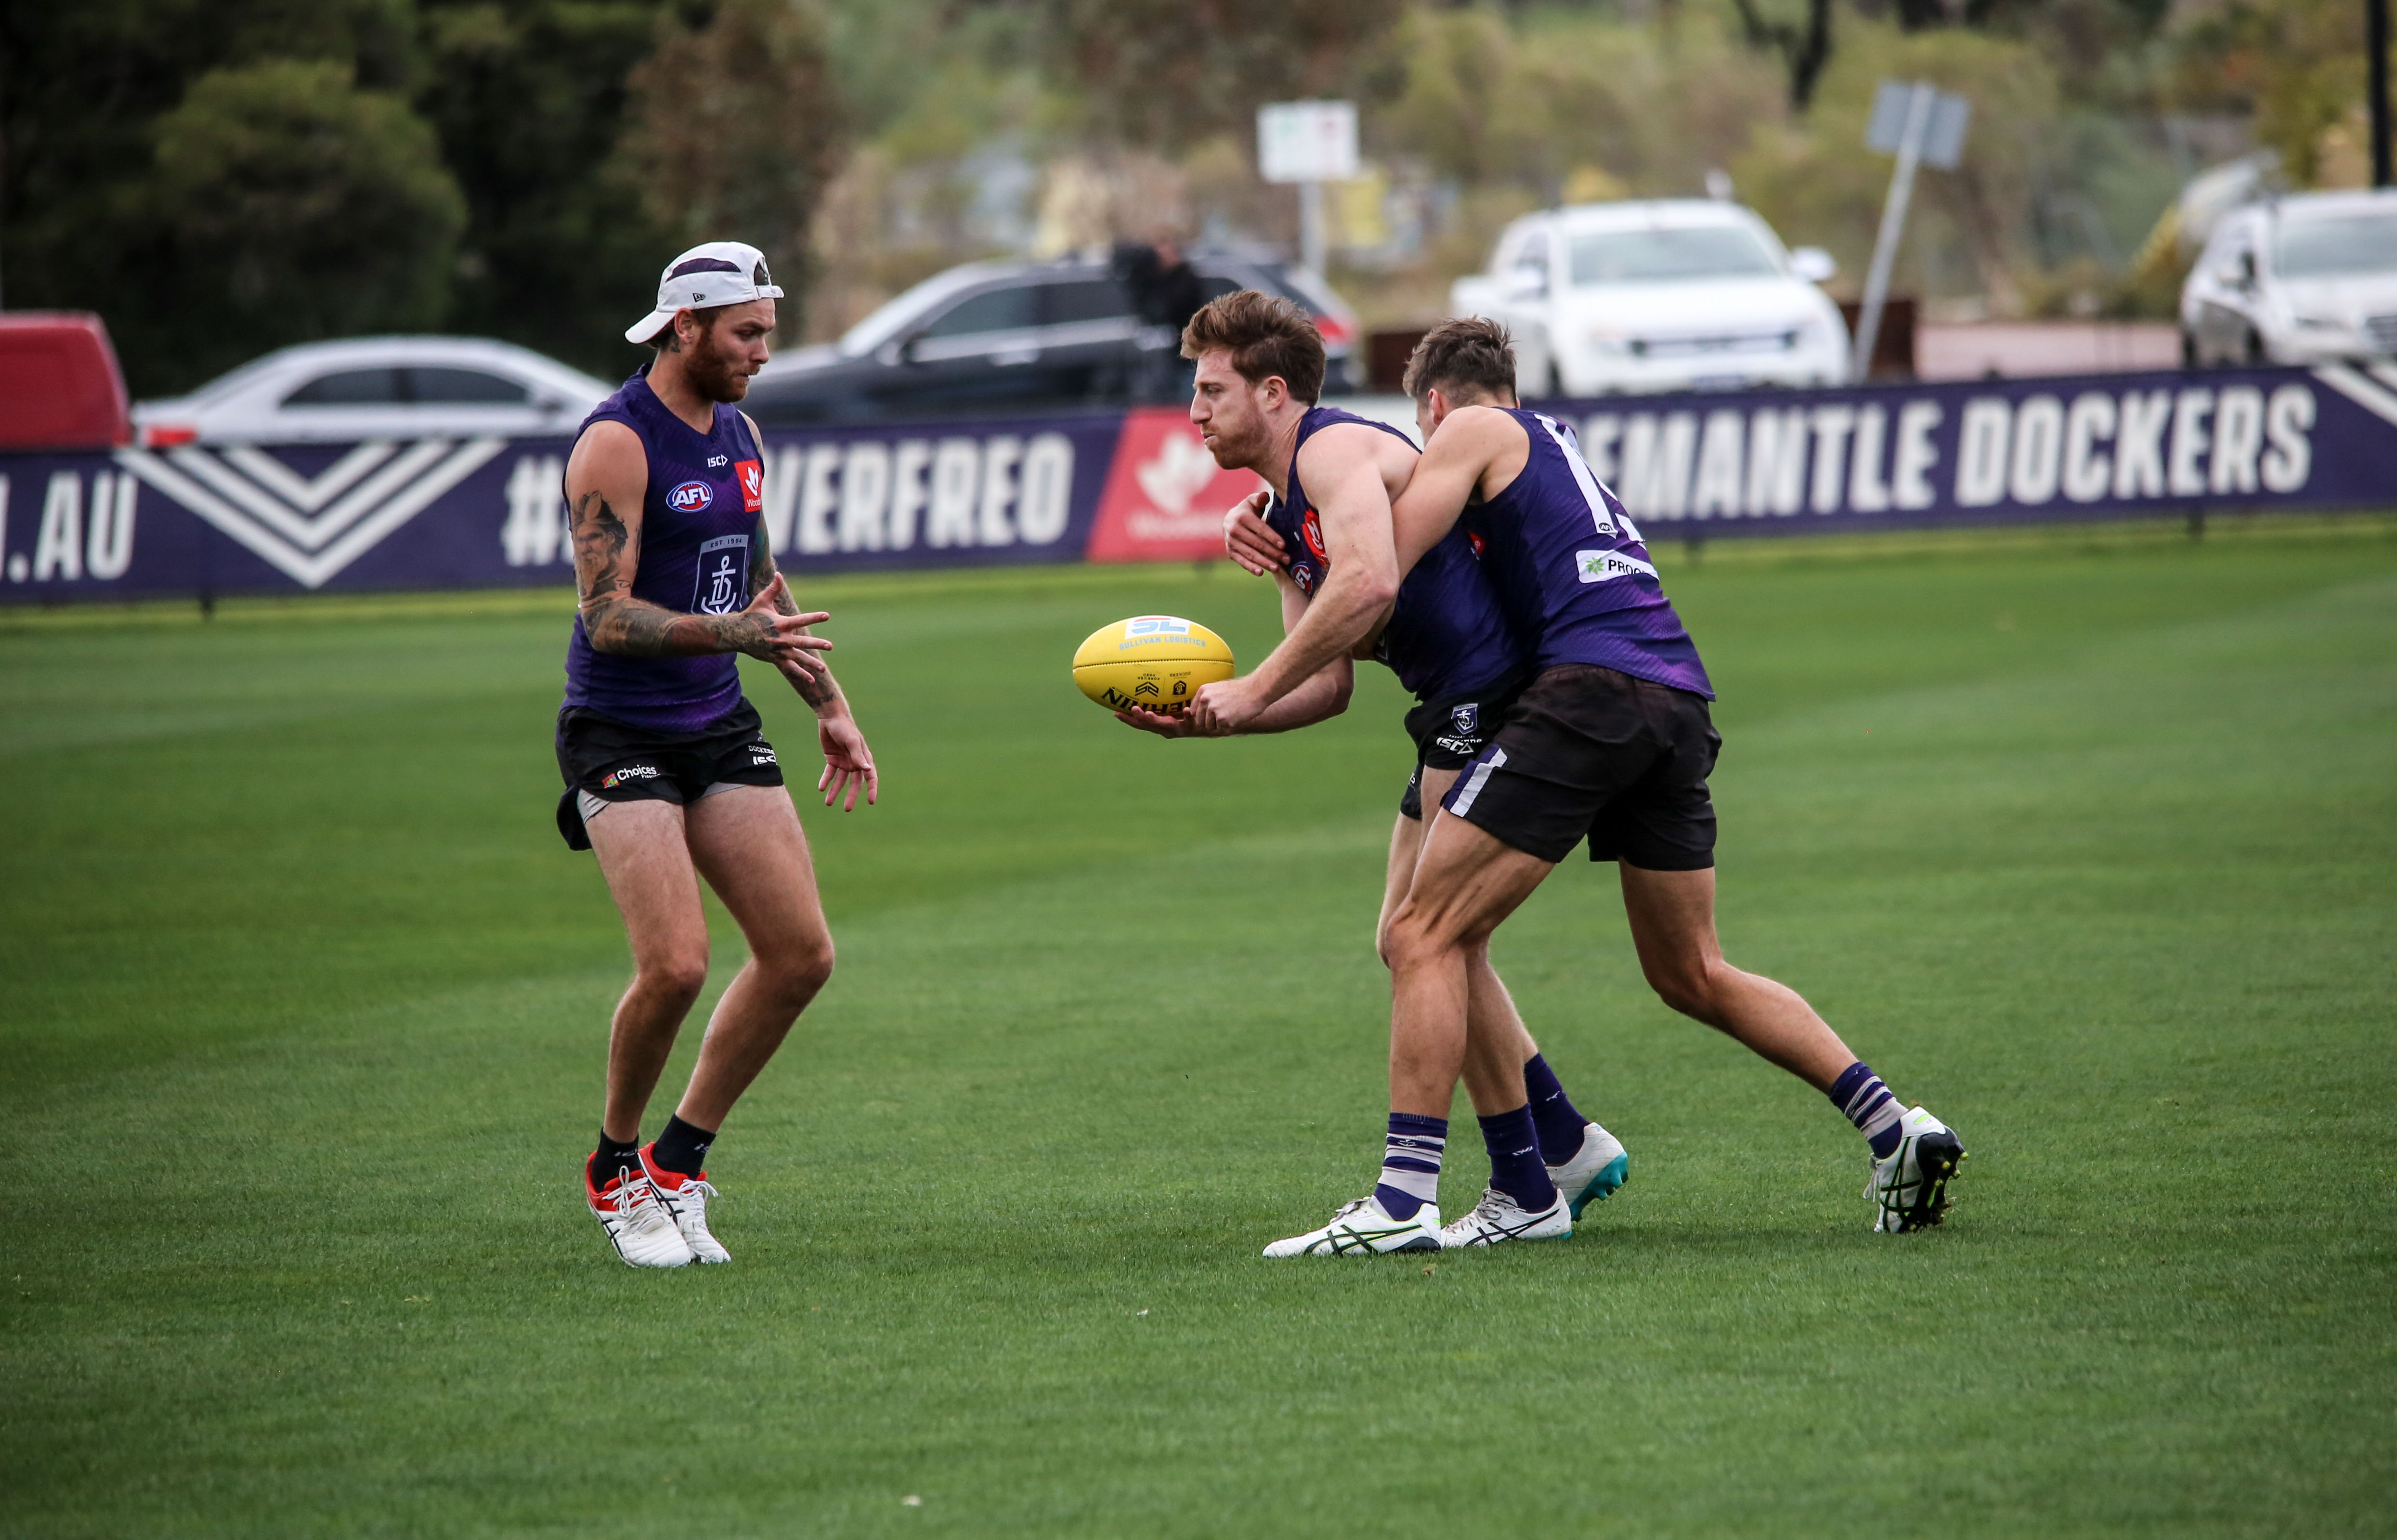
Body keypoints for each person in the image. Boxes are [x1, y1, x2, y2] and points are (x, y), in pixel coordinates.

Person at [1358, 317, 1963, 1235]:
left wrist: (1303, 555)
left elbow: (1382, 566)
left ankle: (1426, 1198)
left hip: (1588, 695)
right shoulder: (1555, 443)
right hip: (1673, 698)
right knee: (1692, 970)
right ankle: (1893, 1125)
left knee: (1421, 931)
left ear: (1434, 405)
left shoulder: (1472, 432)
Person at [1118, 291, 1628, 1256]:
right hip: (1447, 710)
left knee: (1422, 938)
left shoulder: (1334, 452)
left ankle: (1431, 1193)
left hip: (1498, 696)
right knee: (1420, 943)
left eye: (1209, 390)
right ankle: (1552, 1147)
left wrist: (1251, 684)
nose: (1193, 412)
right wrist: (1209, 723)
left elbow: (1370, 583)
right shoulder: (1281, 503)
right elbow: (1327, 684)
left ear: (1273, 393)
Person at [557, 241, 879, 1268]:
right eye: (747, 333)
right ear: (684, 327)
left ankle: (680, 1163)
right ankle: (615, 1171)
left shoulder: (738, 430)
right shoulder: (616, 442)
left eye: (767, 334)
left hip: (717, 723)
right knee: (677, 965)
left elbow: (762, 581)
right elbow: (605, 617)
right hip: (619, 727)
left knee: (800, 955)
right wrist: (730, 638)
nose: (762, 353)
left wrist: (830, 704)